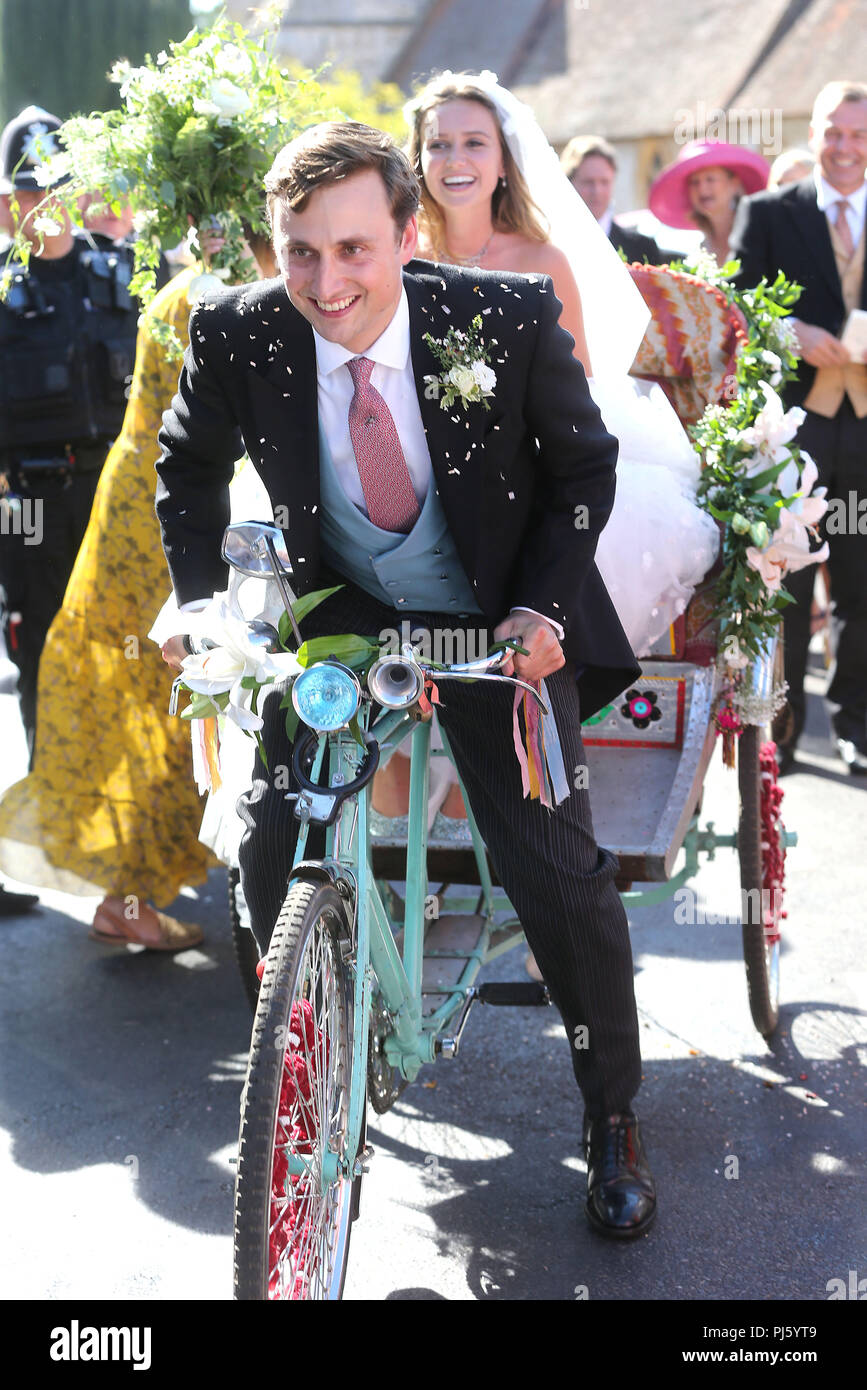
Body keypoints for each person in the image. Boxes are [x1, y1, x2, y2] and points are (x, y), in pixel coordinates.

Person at [156, 120, 657, 1238]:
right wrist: (198, 606)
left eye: (353, 251)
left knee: (554, 866)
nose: (324, 283)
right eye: (299, 252)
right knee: (272, 834)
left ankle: (612, 1113)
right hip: (344, 615)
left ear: (407, 232)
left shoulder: (503, 317)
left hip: (493, 616)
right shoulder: (241, 332)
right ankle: (302, 1049)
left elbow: (583, 465)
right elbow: (184, 468)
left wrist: (543, 612)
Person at [0, 230, 278, 949]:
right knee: (162, 702)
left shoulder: (175, 290)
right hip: (166, 520)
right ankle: (130, 899)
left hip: (134, 508)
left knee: (136, 699)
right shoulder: (214, 298)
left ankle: (127, 896)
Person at [405, 71, 720, 660]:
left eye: (475, 142)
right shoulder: (399, 256)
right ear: (418, 159)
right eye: (438, 143)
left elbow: (579, 395)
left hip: (525, 464)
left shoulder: (542, 260)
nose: (455, 158)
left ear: (503, 161)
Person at [0, 106, 148, 760]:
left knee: (129, 641)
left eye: (59, 187)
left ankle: (123, 805)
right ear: (10, 203)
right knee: (41, 645)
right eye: (32, 191)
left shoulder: (127, 274)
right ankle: (50, 794)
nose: (47, 204)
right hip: (29, 500)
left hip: (113, 491)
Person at [731, 80, 867, 775]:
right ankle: (779, 730)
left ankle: (859, 729)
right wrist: (792, 329)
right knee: (781, 580)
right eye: (832, 132)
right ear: (812, 134)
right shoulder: (767, 213)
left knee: (862, 587)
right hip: (793, 430)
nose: (843, 147)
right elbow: (738, 306)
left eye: (857, 134)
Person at [649, 138, 769, 265]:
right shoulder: (692, 248)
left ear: (734, 184)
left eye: (710, 179)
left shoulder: (760, 234)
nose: (702, 188)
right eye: (694, 182)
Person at [560, 134, 668, 264]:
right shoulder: (554, 245)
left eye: (604, 182)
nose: (597, 191)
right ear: (569, 183)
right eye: (588, 182)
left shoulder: (642, 248)